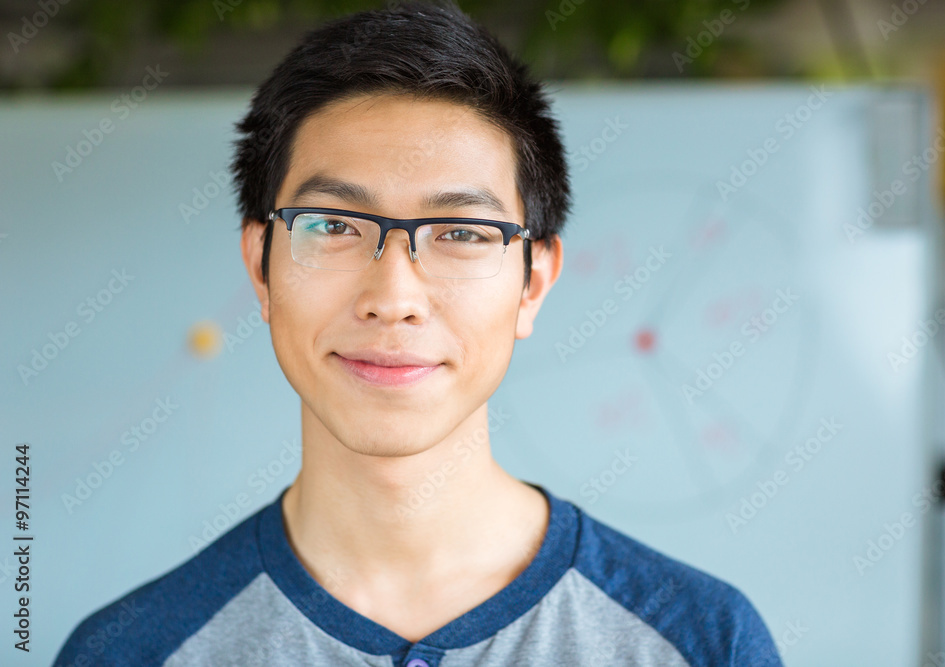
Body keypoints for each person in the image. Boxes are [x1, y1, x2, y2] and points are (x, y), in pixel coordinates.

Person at [53, 1, 784, 665]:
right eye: (334, 225)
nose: (393, 298)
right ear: (260, 266)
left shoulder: (697, 640)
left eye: (461, 232)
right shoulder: (134, 651)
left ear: (533, 282)